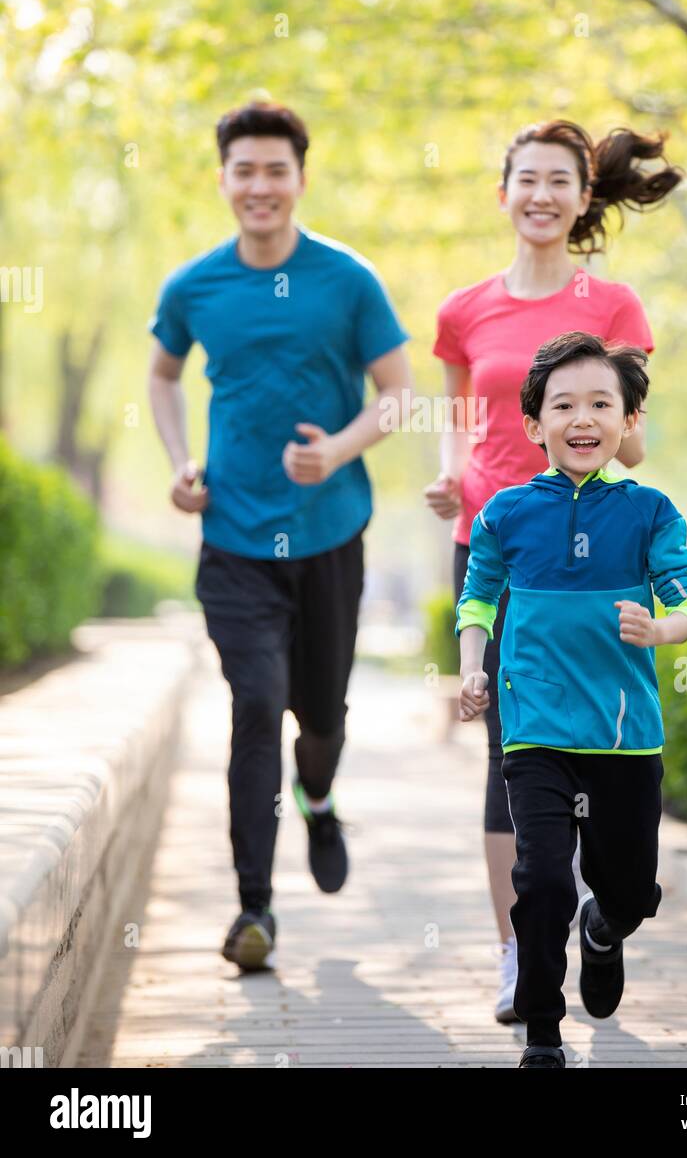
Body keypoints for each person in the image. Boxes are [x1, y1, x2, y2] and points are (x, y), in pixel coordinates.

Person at [425, 120, 681, 1021]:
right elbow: (459, 416)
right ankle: (518, 949)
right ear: (503, 194)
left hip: (598, 551)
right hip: (500, 541)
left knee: (601, 766)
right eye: (524, 179)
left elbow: (637, 439)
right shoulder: (464, 310)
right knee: (510, 754)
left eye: (558, 181)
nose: (539, 195)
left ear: (582, 200)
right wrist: (452, 475)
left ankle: (607, 914)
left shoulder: (614, 306)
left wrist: (599, 419)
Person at [148, 100, 412, 971]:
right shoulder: (193, 287)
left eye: (276, 170)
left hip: (329, 535)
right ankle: (253, 909)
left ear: (301, 177)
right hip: (233, 541)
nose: (259, 186)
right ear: (222, 179)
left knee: (321, 715)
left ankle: (321, 795)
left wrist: (338, 449)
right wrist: (184, 463)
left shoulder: (347, 279)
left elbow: (399, 393)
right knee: (256, 704)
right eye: (244, 170)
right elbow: (161, 374)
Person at [455, 331, 687, 1067]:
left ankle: (605, 931)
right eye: (563, 404)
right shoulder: (504, 513)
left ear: (630, 421)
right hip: (533, 729)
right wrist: (474, 668)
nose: (582, 417)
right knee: (538, 883)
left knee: (628, 890)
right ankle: (542, 1033)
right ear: (534, 425)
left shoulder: (651, 511)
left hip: (625, 738)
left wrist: (659, 628)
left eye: (602, 402)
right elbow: (476, 600)